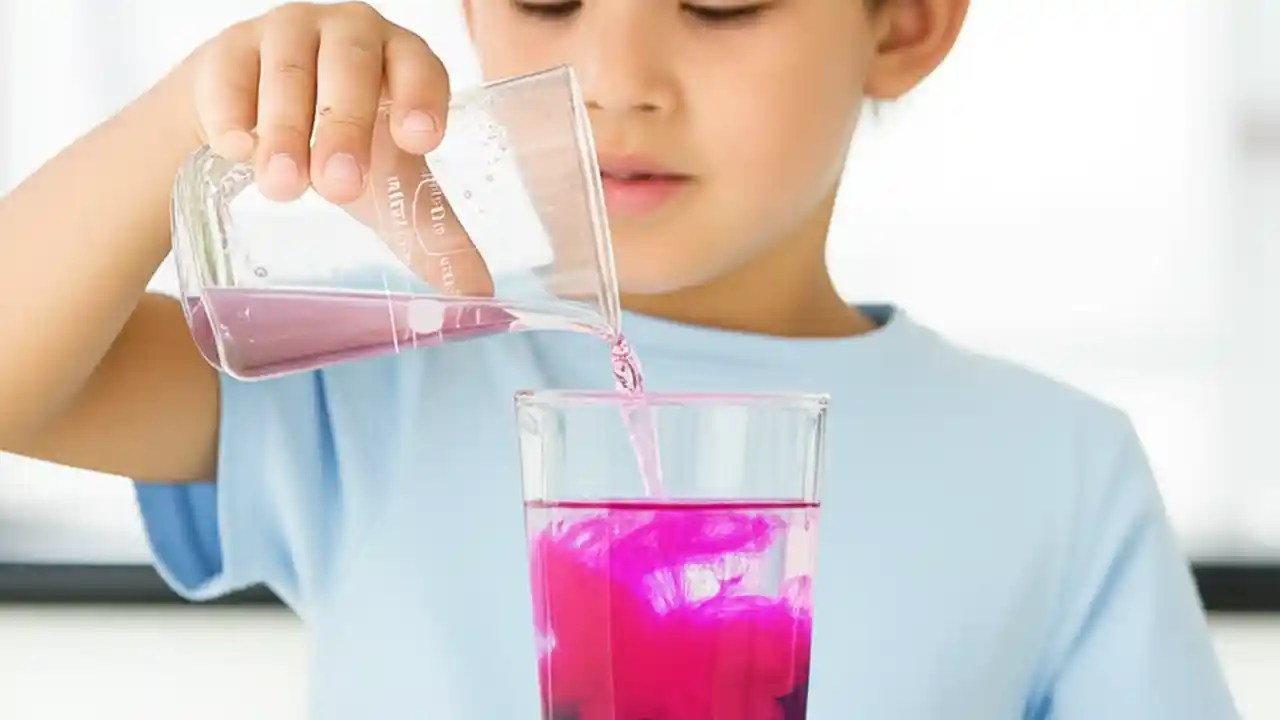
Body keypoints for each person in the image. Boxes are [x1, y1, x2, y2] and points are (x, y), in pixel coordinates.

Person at [0, 1, 1239, 717]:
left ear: (902, 23)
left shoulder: (1055, 468)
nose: (613, 81)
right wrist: (188, 117)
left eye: (718, 0)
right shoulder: (379, 367)